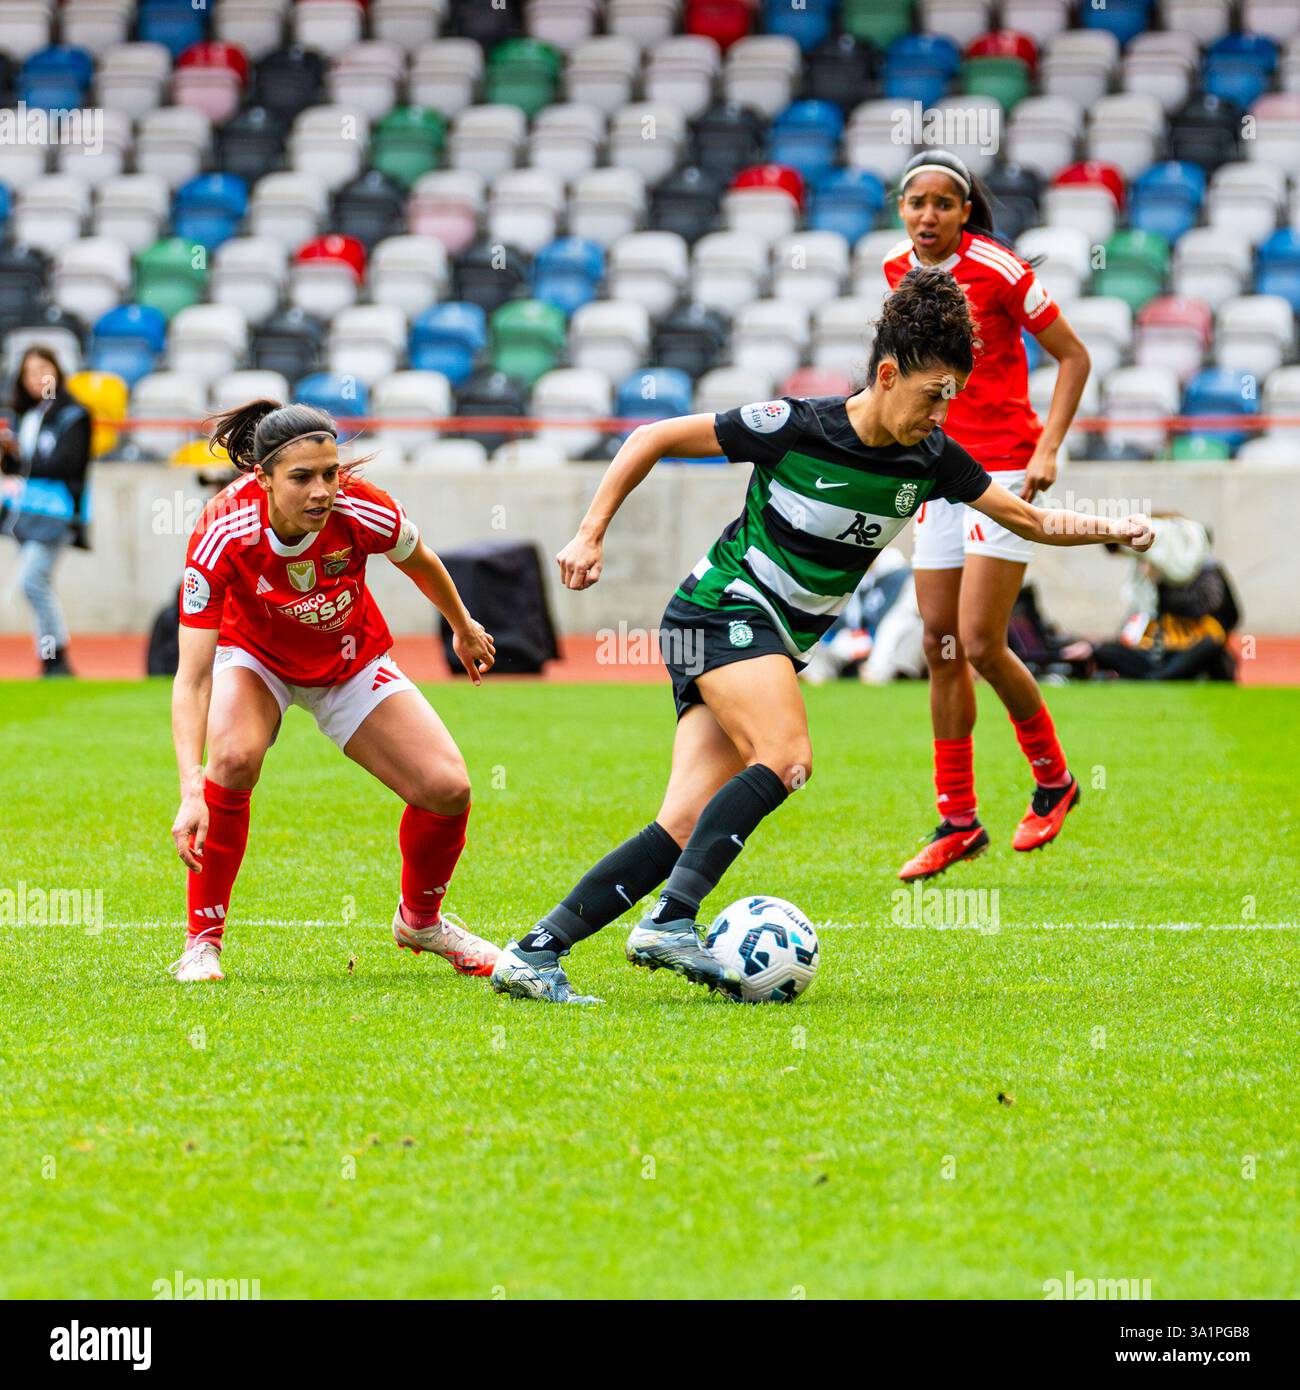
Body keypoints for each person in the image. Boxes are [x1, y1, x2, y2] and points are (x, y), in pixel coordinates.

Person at [489, 268, 1154, 1004]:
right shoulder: (796, 425)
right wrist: (589, 535)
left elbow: (1028, 520)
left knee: (682, 825)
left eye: (953, 398)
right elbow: (652, 435)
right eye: (932, 393)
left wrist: (1112, 527)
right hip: (720, 610)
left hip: (748, 632)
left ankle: (536, 951)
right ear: (888, 373)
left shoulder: (929, 460)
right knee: (788, 757)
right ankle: (671, 921)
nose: (941, 412)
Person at [168, 398, 500, 983]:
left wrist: (463, 625)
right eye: (301, 478)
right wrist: (190, 785)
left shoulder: (361, 507)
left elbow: (420, 561)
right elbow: (192, 678)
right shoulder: (223, 529)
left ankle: (420, 921)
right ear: (263, 477)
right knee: (234, 758)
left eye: (330, 472)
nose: (323, 491)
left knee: (447, 788)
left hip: (349, 660)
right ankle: (202, 942)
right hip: (257, 659)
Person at [882, 149, 1094, 881]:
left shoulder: (1002, 271)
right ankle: (958, 819)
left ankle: (1053, 780)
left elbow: (1074, 357)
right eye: (917, 203)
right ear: (901, 209)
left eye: (944, 203)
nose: (929, 216)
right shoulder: (894, 272)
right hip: (935, 466)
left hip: (1004, 463)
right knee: (938, 642)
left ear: (967, 210)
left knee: (978, 640)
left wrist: (1050, 448)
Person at [0, 346, 92, 676]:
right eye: (28, 372)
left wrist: (24, 461)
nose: (36, 377)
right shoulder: (26, 417)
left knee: (31, 581)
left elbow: (67, 462)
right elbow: (15, 468)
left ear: (56, 371)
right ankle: (51, 659)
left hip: (56, 512)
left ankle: (57, 653)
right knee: (39, 584)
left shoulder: (73, 415)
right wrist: (9, 453)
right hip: (26, 513)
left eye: (42, 369)